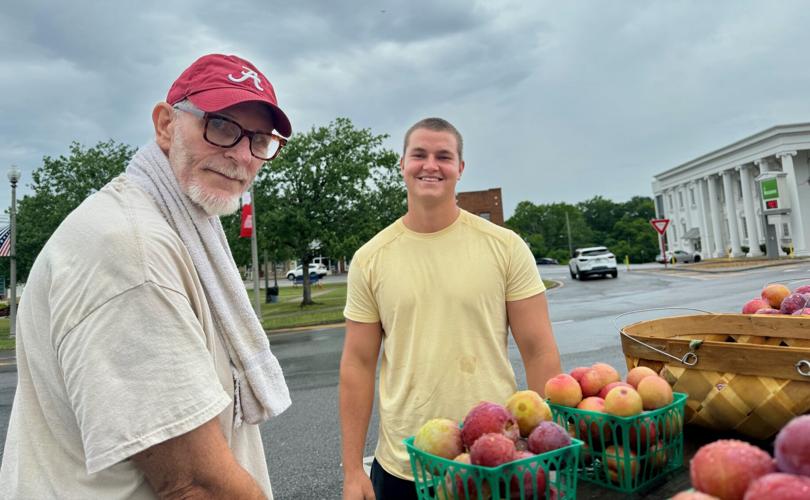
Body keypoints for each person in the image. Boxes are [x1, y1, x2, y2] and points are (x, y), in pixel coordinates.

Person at [0, 54, 293, 499]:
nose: (240, 154)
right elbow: (195, 484)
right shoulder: (130, 251)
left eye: (258, 140)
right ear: (165, 124)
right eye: (221, 126)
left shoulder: (173, 226)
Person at [339, 117, 563, 499]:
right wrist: (351, 472)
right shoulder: (370, 258)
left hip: (493, 462)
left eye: (444, 156)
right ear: (402, 164)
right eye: (419, 155)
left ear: (460, 169)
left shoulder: (505, 247)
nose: (430, 165)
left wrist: (548, 451)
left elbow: (539, 350)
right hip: (402, 467)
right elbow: (357, 365)